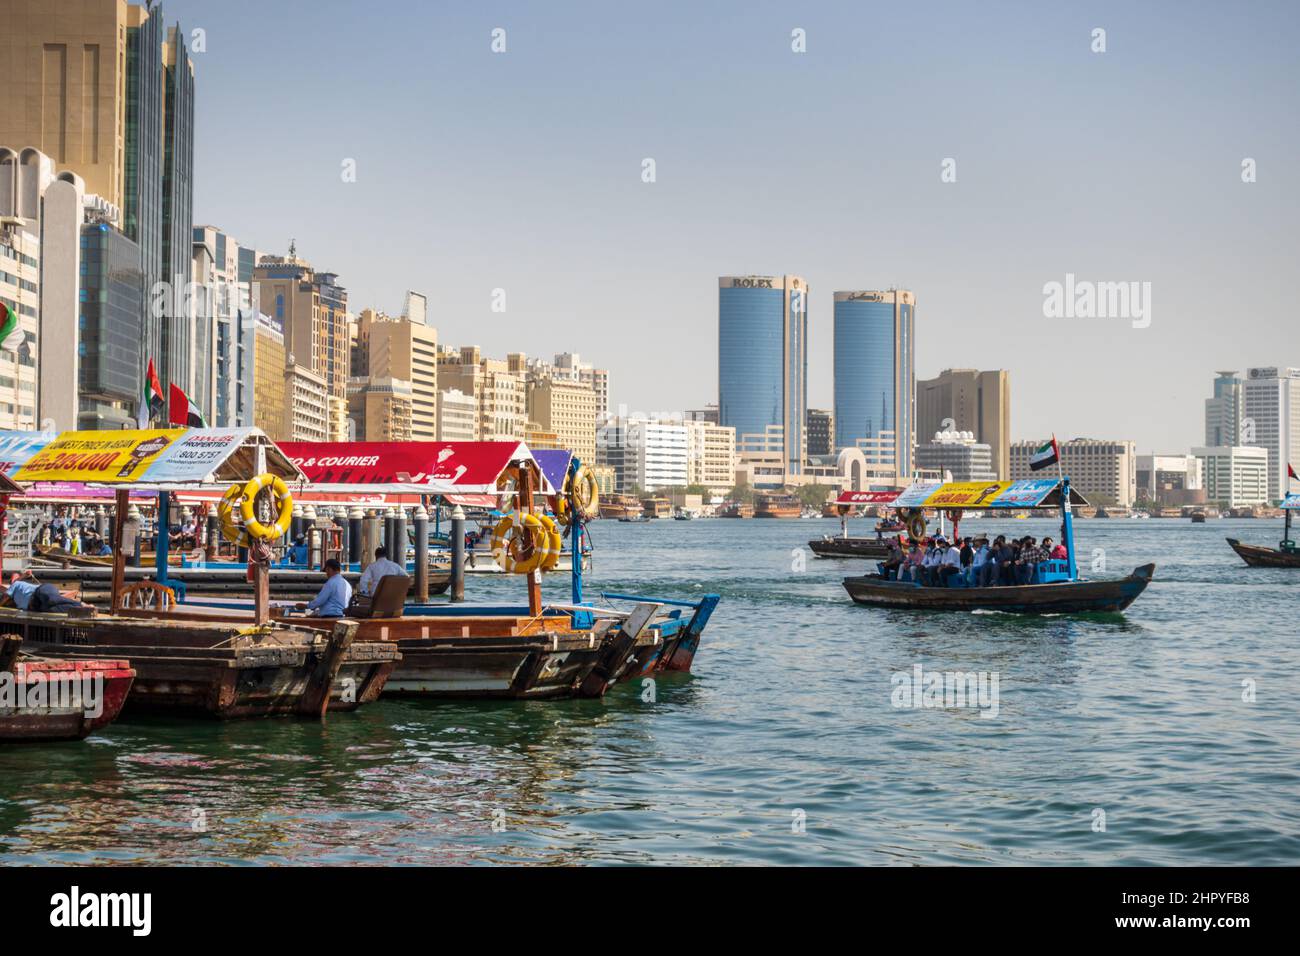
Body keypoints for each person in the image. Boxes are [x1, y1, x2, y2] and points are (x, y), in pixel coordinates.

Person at [4, 572, 92, 614]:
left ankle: (81, 604)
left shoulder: (15, 584)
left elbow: (5, 596)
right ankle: (82, 610)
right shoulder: (15, 597)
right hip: (37, 606)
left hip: (39, 591)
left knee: (52, 600)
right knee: (56, 609)